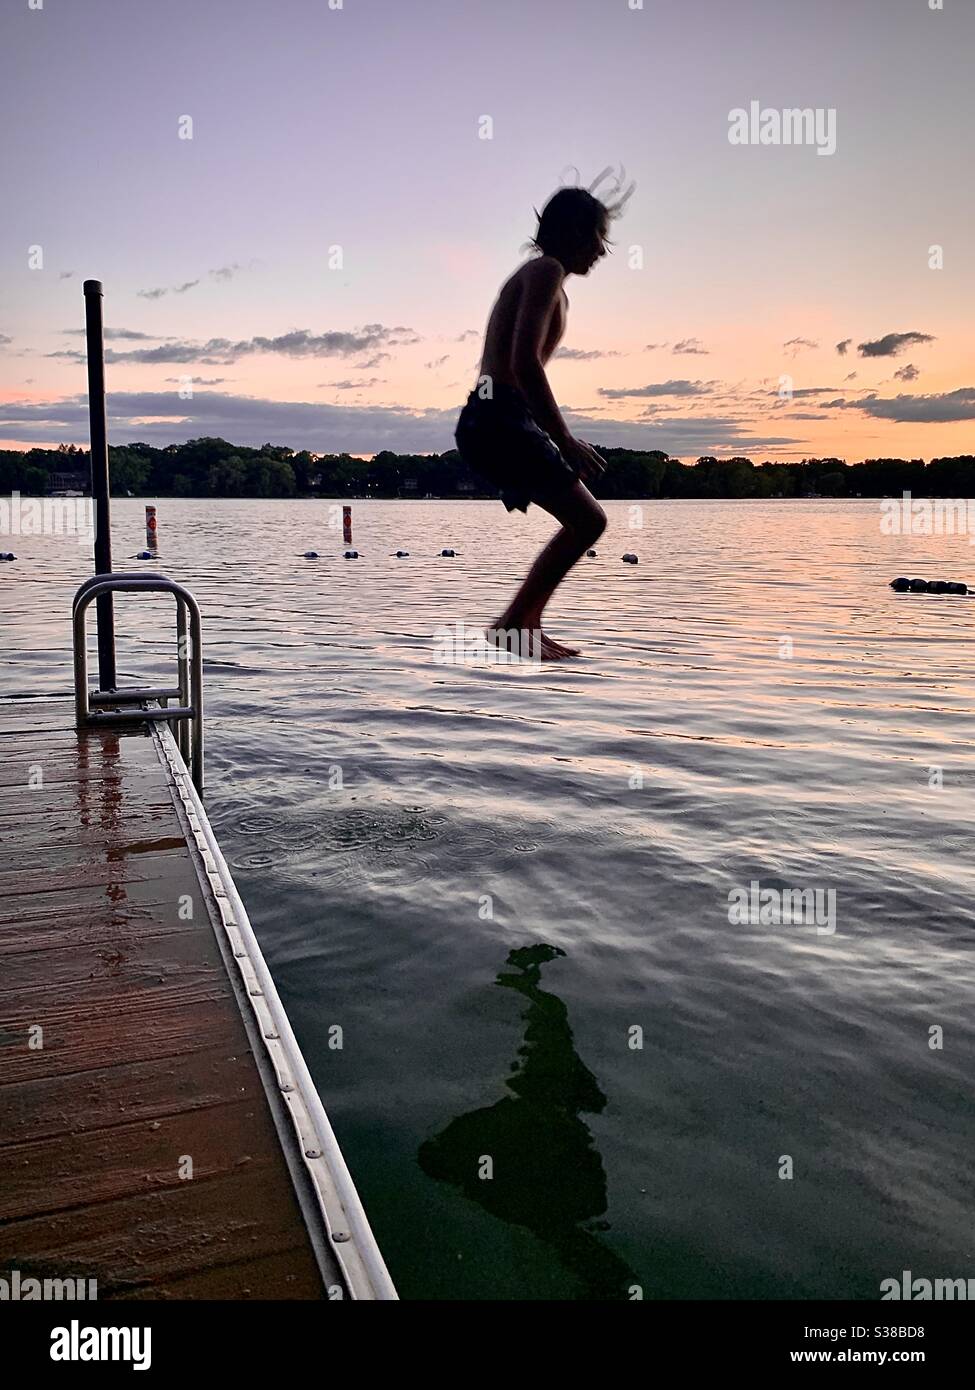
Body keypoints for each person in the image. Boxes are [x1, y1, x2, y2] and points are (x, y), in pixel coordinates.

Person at [454, 166, 635, 660]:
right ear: (574, 233)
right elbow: (523, 362)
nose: (602, 250)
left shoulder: (548, 280)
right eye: (599, 236)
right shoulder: (546, 271)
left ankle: (523, 621)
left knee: (587, 521)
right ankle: (515, 623)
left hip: (496, 417)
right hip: (499, 418)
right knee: (589, 521)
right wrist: (565, 440)